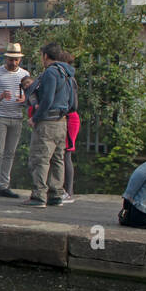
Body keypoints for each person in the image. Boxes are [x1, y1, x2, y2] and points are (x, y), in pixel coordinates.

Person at [25, 42, 76, 208]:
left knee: (40, 158)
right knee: (58, 159)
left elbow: (47, 99)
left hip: (47, 122)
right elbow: (73, 103)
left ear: (45, 56)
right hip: (62, 121)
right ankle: (56, 194)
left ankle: (39, 195)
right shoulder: (67, 73)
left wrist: (36, 117)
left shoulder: (51, 73)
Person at [0, 42, 30, 198]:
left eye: (16, 60)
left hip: (16, 116)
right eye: (10, 59)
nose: (13, 62)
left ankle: (4, 185)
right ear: (6, 58)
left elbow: (30, 95)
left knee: (10, 153)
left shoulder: (24, 74)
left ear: (19, 60)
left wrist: (24, 99)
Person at [59, 50, 80, 204]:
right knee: (65, 154)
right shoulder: (70, 78)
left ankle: (69, 190)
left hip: (69, 118)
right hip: (69, 117)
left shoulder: (67, 78)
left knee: (66, 154)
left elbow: (72, 103)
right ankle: (66, 189)